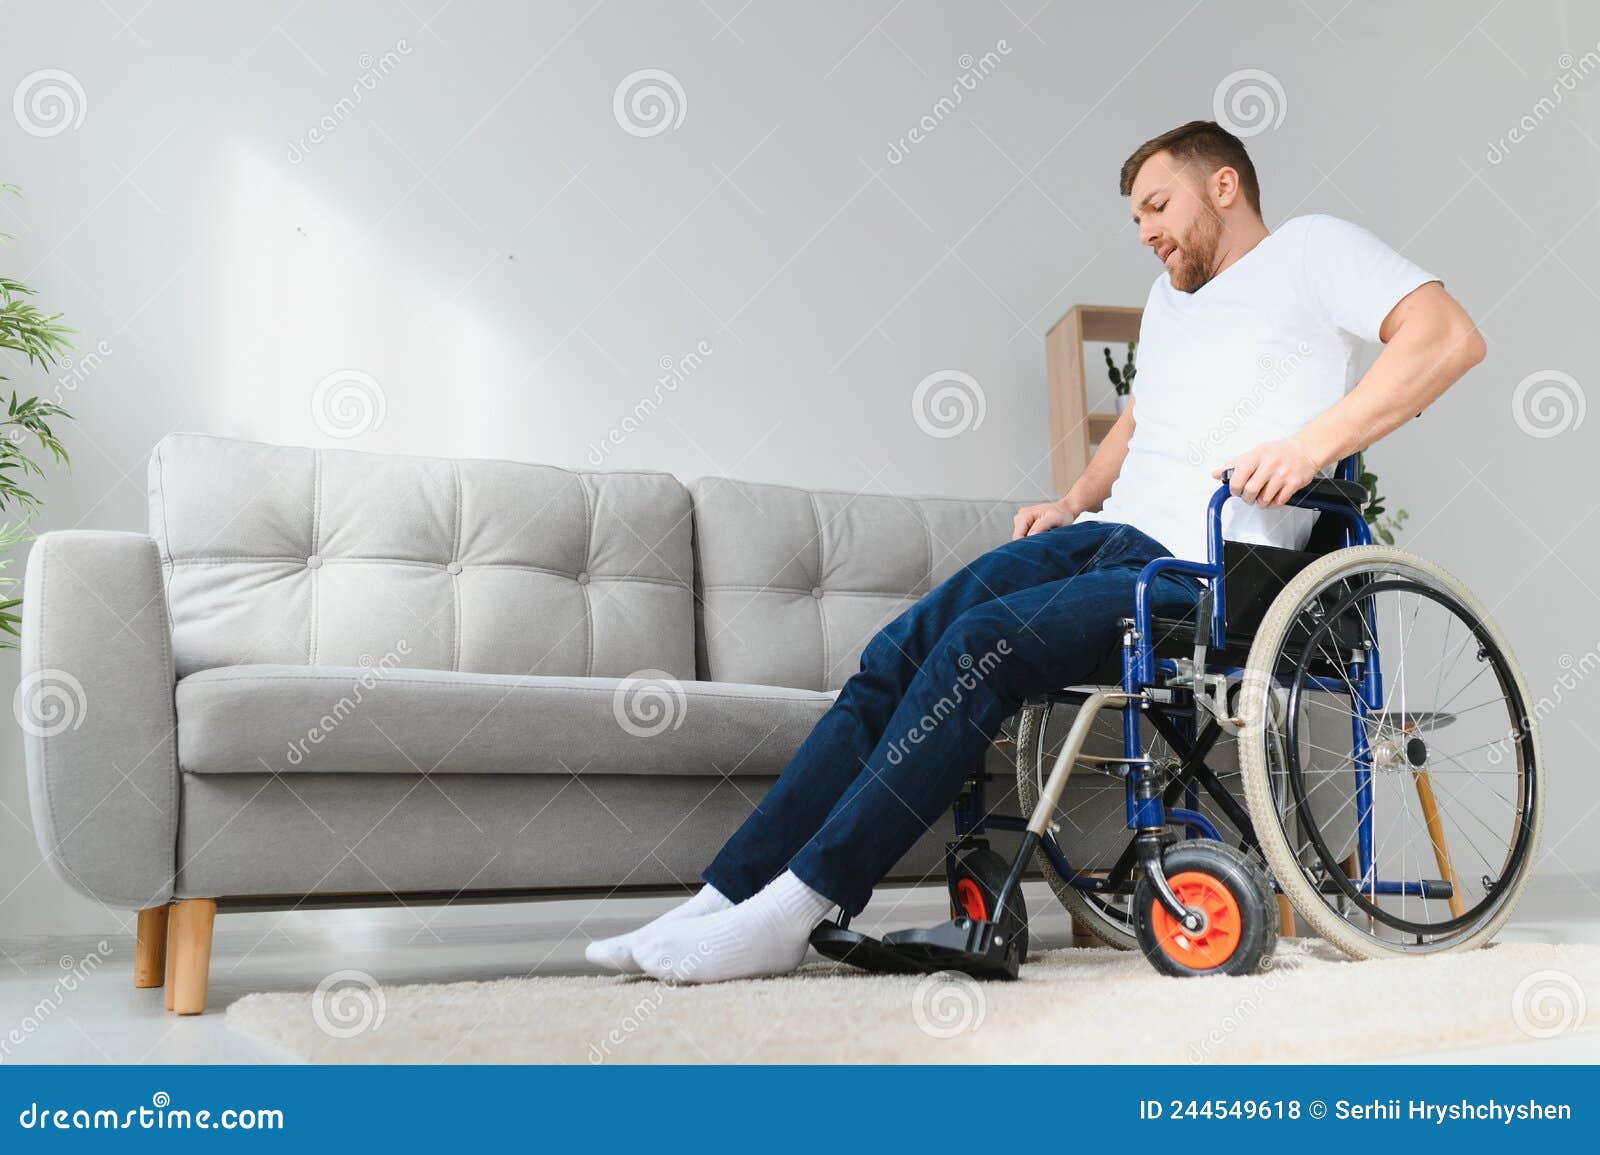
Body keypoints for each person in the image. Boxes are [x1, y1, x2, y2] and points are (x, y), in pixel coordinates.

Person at [585, 119, 1486, 984]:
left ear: (1224, 185)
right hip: (1111, 540)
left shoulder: (1310, 250)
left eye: (1157, 206)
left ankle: (796, 906)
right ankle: (724, 892)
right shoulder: (1171, 303)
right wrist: (1073, 500)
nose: (1146, 232)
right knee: (896, 651)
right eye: (1135, 218)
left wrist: (1308, 446)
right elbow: (1140, 418)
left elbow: (1448, 337)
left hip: (1213, 573)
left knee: (983, 646)